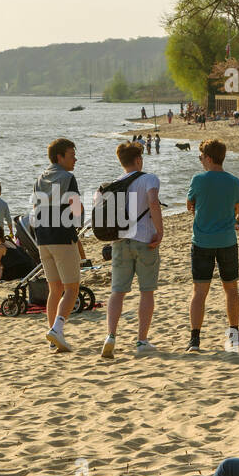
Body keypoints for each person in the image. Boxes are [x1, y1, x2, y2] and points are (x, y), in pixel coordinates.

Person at [100, 141, 163, 358]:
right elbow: (153, 202)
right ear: (138, 160)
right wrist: (160, 231)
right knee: (146, 291)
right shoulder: (149, 179)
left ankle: (111, 336)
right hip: (145, 240)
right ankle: (141, 340)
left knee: (117, 291)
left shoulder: (114, 184)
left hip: (120, 242)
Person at [186, 139, 239, 352]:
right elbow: (236, 206)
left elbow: (190, 204)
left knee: (200, 291)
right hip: (227, 240)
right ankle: (234, 335)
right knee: (231, 288)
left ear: (208, 158)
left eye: (201, 157)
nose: (200, 161)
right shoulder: (234, 181)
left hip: (202, 241)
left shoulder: (198, 180)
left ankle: (195, 339)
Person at [30, 139, 84, 351]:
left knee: (55, 288)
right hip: (62, 236)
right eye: (71, 155)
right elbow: (76, 209)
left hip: (43, 238)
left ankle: (53, 338)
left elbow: (36, 208)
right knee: (72, 288)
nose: (75, 159)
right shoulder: (67, 178)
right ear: (59, 157)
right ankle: (57, 329)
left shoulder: (39, 178)